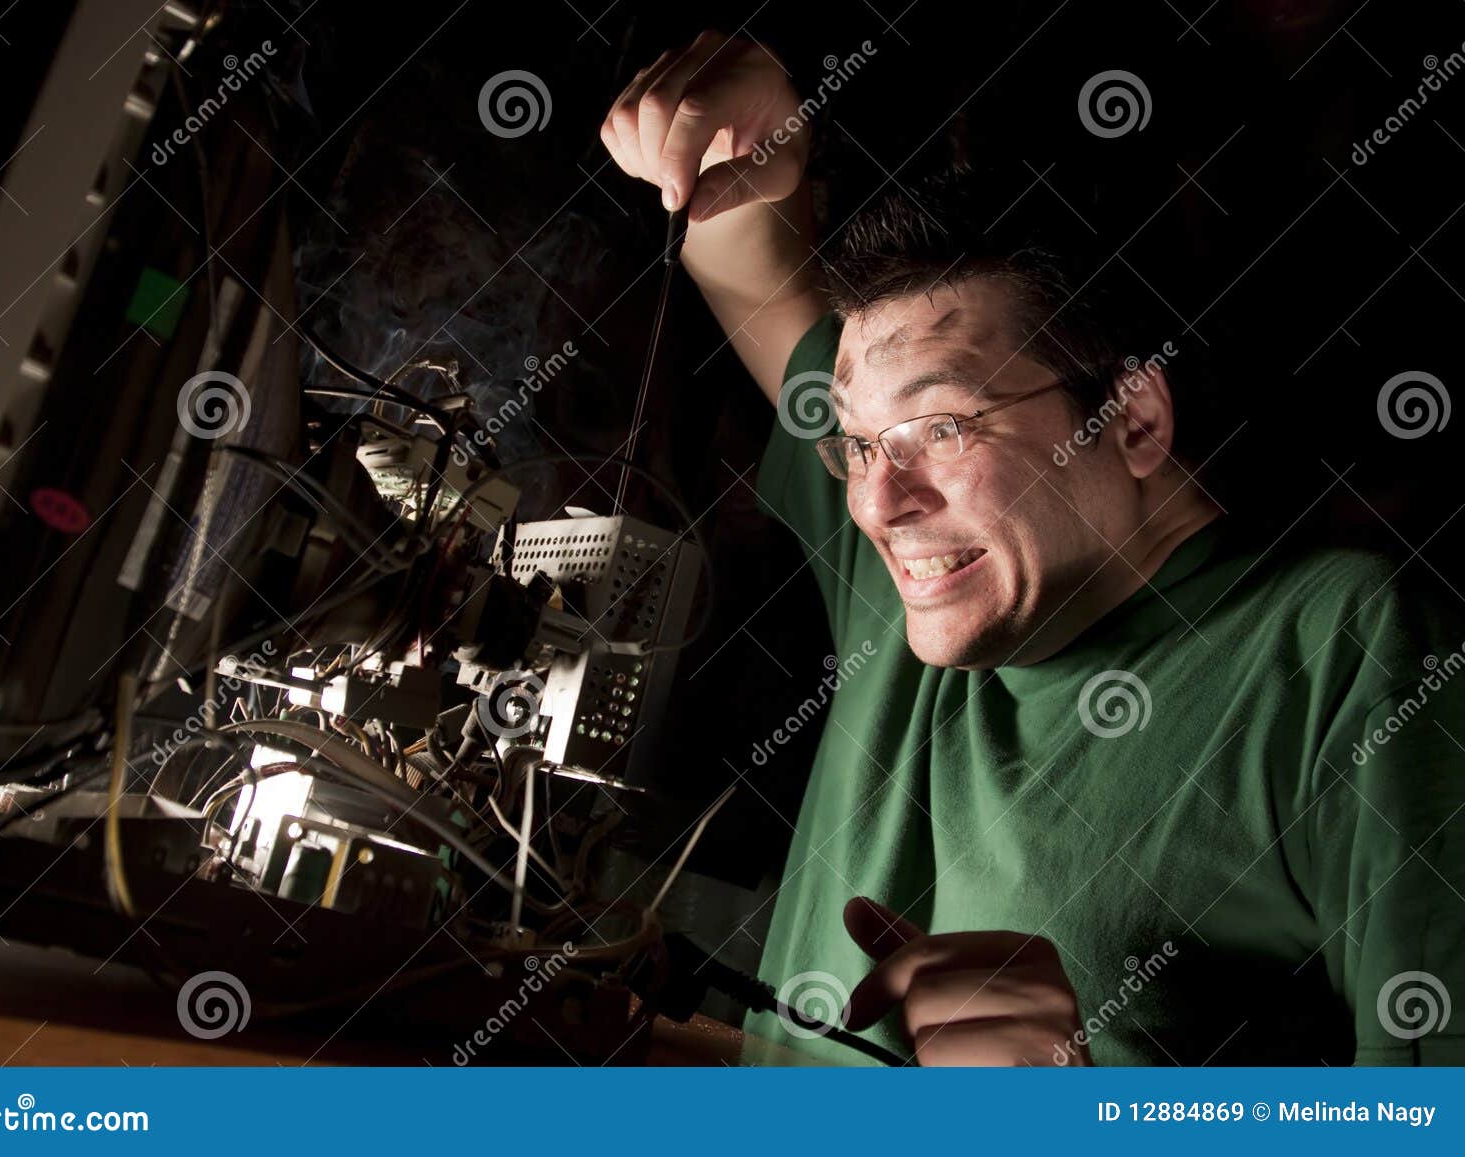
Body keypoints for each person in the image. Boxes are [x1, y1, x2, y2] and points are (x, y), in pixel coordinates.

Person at [599, 31, 1465, 1065]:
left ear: (1133, 420)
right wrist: (749, 109)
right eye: (857, 442)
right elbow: (739, 231)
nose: (880, 499)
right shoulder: (920, 579)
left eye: (945, 428)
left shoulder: (1342, 653)